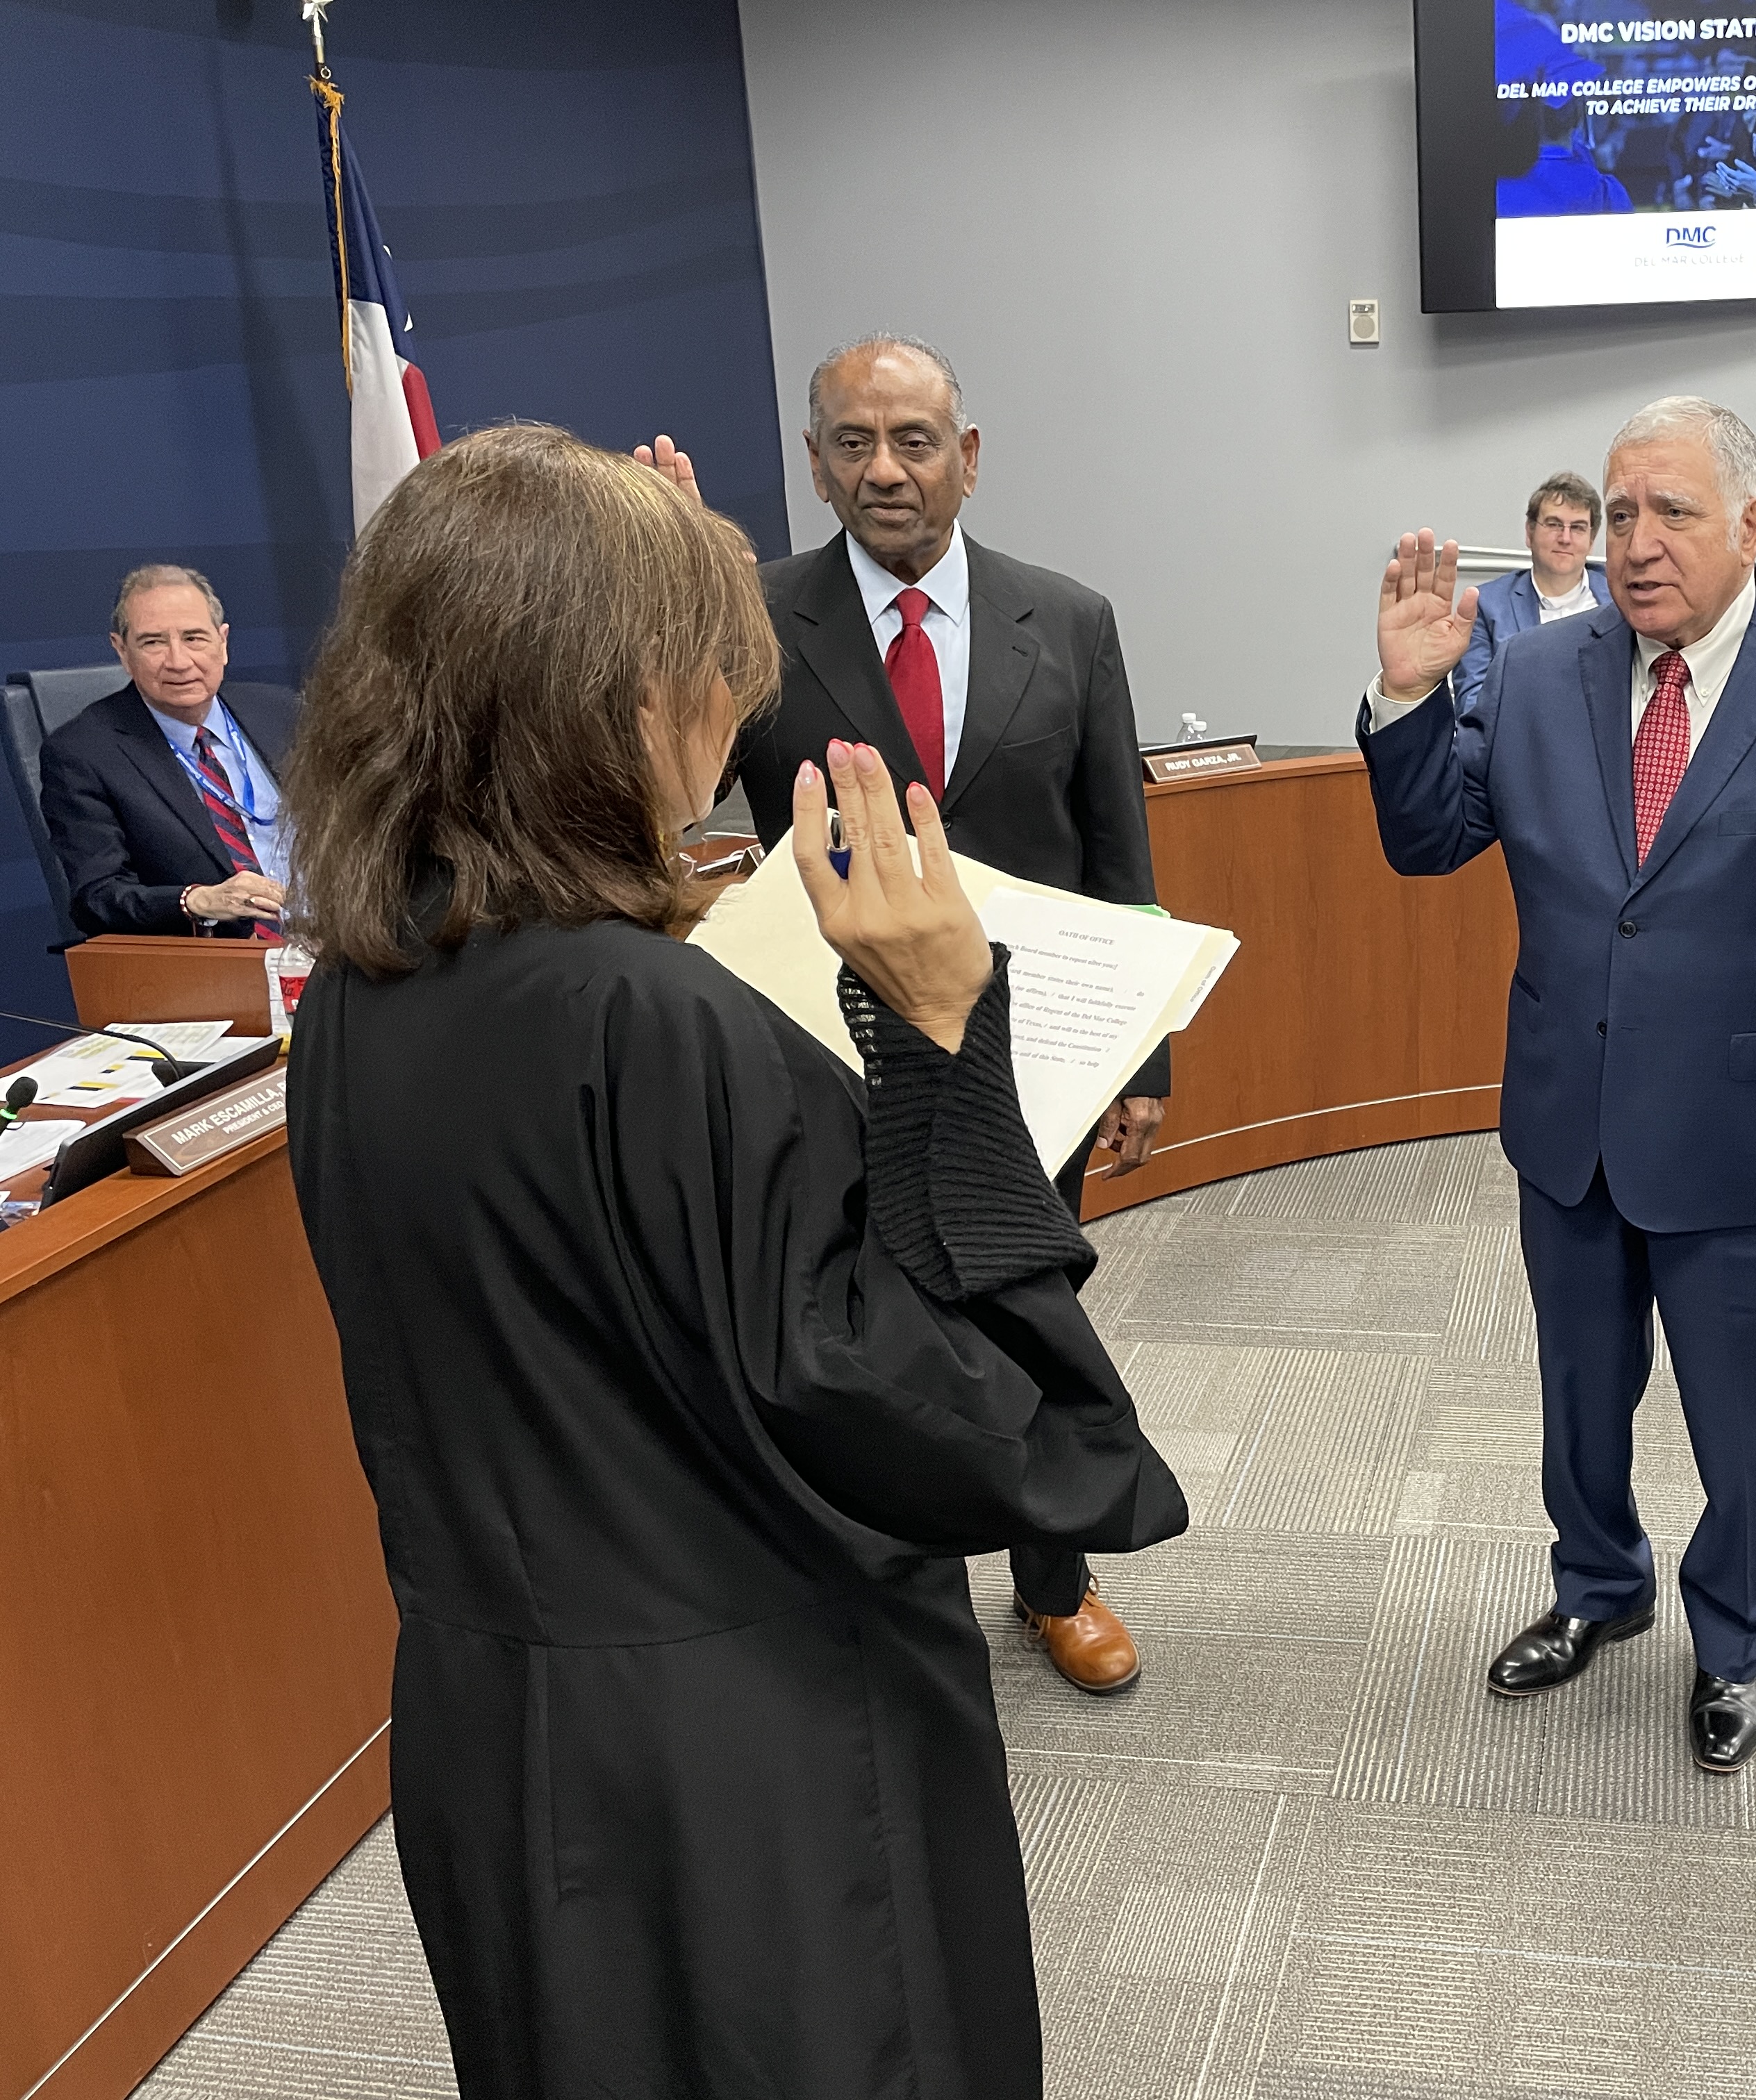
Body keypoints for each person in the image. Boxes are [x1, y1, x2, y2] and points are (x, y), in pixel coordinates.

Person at [282, 423, 1185, 2100]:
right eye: (714, 669)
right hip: (753, 1757)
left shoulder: (365, 984)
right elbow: (965, 1424)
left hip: (500, 1712)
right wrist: (937, 1039)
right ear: (616, 691)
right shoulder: (658, 1020)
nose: (734, 713)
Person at [1359, 397, 1756, 1772]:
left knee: (1747, 1421)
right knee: (1580, 1393)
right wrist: (1405, 696)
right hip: (1569, 1124)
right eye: (1618, 514)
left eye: (1670, 512)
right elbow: (1434, 839)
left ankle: (1736, 1637)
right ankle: (1598, 1588)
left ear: (1752, 523)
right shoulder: (1543, 672)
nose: (1635, 543)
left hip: (1753, 1139)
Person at [720, 336, 1167, 1695]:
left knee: (1020, 1309)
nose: (883, 469)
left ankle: (1052, 1575)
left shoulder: (1071, 617)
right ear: (814, 462)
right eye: (851, 442)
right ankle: (890, 1587)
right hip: (829, 1046)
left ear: (966, 457)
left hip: (1029, 1050)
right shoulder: (754, 619)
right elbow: (670, 777)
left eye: (913, 439)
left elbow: (1118, 852)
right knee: (856, 1330)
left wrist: (1149, 1058)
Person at [38, 565, 297, 938]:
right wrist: (196, 902)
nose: (178, 661)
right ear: (122, 651)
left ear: (223, 643)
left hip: (339, 948)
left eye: (194, 638)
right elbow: (97, 898)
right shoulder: (82, 754)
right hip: (218, 967)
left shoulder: (284, 711)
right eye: (153, 642)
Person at [1455, 471, 1612, 715]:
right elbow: (1473, 706)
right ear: (1529, 533)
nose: (1565, 538)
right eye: (1554, 524)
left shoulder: (1619, 598)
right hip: (1524, 743)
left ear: (1591, 541)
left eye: (1578, 528)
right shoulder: (1486, 606)